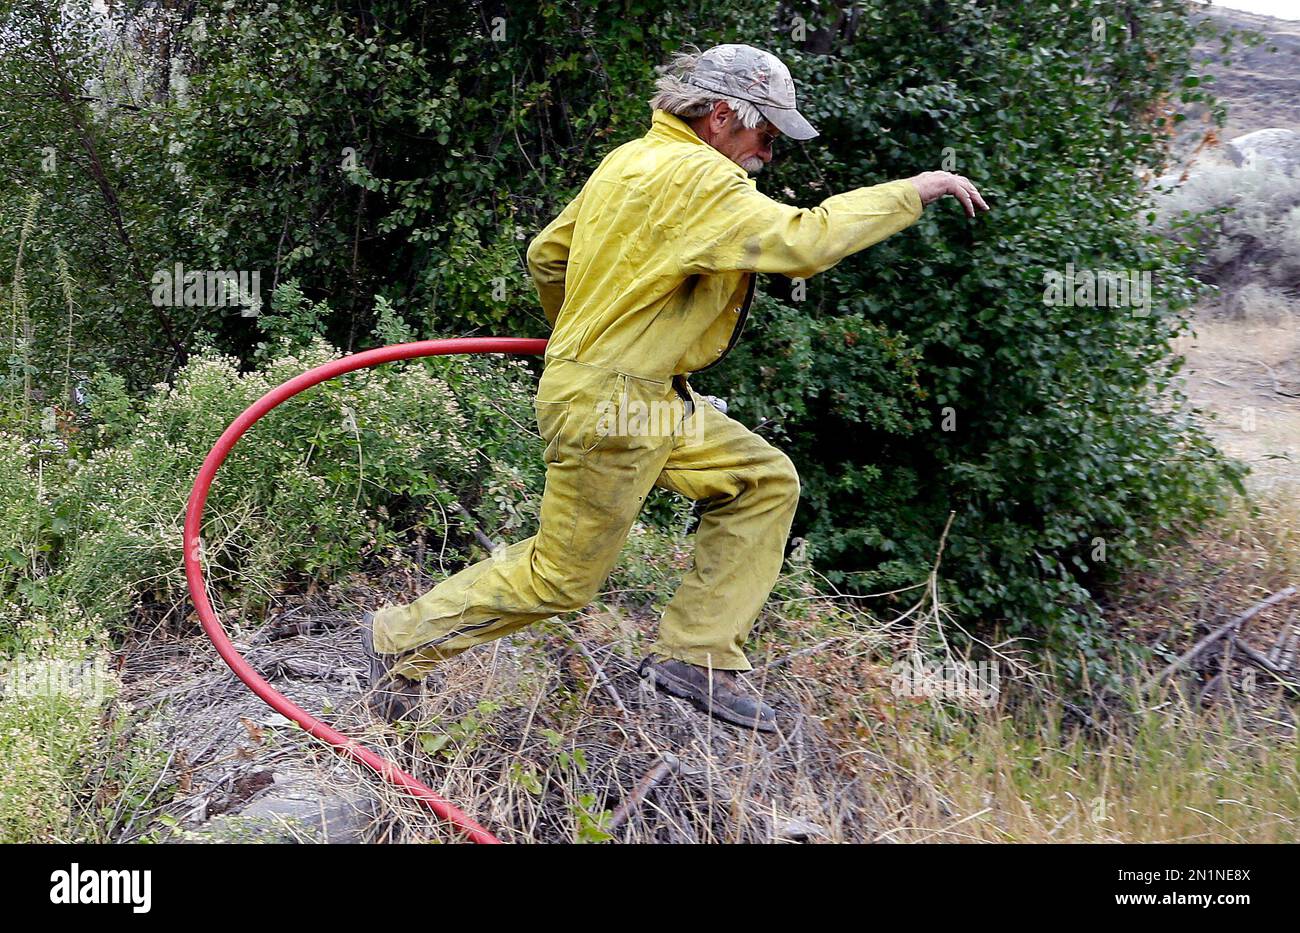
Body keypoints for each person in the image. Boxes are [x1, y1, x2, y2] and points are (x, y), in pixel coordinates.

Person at [362, 43, 990, 731]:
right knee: (559, 578)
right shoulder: (702, 181)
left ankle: (697, 653)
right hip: (618, 402)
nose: (768, 153)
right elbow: (805, 240)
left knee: (762, 480)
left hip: (641, 395)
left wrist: (589, 329)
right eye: (766, 134)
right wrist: (913, 190)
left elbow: (547, 254)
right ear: (722, 115)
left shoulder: (626, 161)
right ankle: (396, 641)